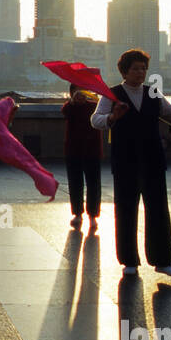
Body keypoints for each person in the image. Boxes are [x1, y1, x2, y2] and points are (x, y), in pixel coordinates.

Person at [91, 49, 171, 277]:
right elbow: (96, 120)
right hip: (125, 159)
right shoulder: (112, 94)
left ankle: (162, 261)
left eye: (144, 68)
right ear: (125, 71)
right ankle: (129, 262)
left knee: (158, 209)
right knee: (126, 210)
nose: (141, 72)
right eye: (136, 68)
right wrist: (113, 117)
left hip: (153, 158)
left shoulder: (153, 93)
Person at [61, 84, 102, 231]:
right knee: (75, 183)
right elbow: (65, 112)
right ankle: (77, 214)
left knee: (93, 184)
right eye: (77, 91)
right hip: (73, 151)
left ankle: (93, 215)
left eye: (84, 90)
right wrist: (71, 102)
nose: (81, 94)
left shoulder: (95, 106)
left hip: (93, 150)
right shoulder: (69, 107)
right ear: (71, 93)